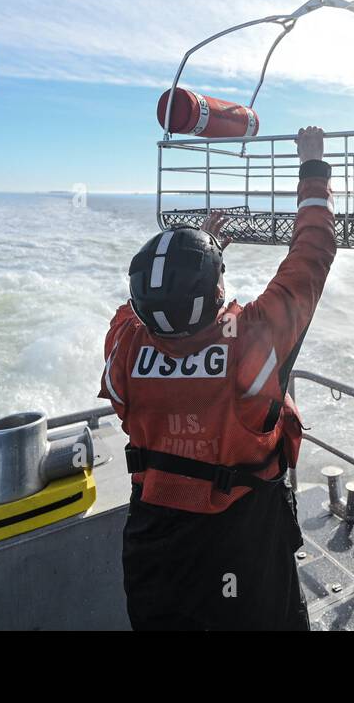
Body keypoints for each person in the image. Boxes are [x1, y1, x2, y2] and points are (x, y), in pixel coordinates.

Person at [98, 126, 335, 630]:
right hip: (242, 537)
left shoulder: (124, 343)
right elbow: (311, 255)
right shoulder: (250, 341)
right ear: (214, 291)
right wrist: (312, 168)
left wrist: (204, 247)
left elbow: (143, 310)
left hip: (154, 542)